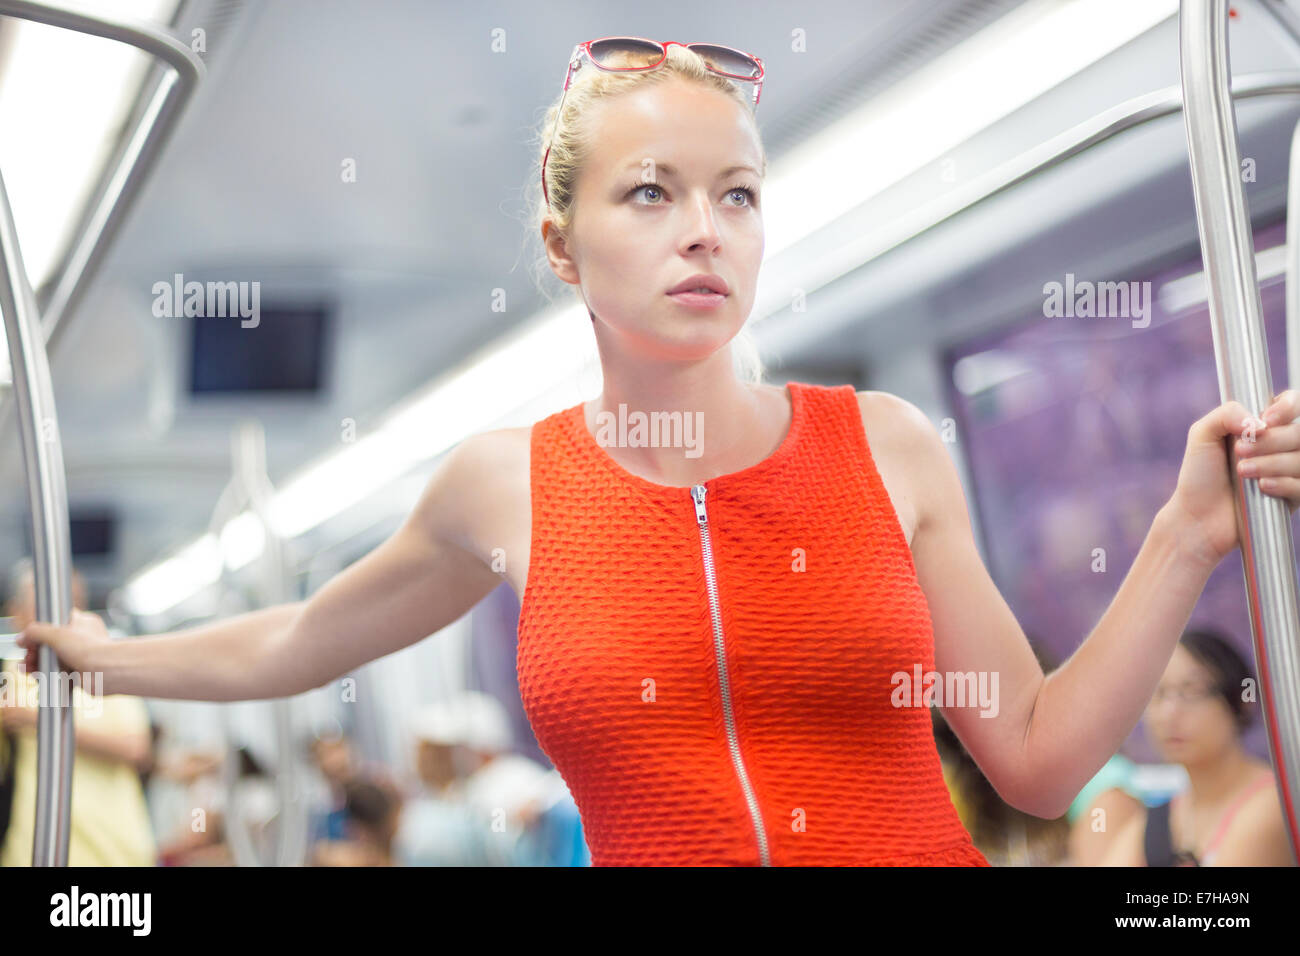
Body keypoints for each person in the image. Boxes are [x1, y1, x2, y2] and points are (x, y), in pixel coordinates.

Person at [16, 39, 1300, 866]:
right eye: (652, 192)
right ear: (562, 245)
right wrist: (102, 656)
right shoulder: (502, 483)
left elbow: (1033, 749)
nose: (707, 230)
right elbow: (299, 639)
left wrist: (1187, 533)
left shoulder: (887, 445)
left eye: (734, 193)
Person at [1, 559, 156, 866]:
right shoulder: (11, 675)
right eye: (42, 606)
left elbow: (136, 748)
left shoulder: (101, 665)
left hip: (112, 847)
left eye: (70, 604)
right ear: (17, 613)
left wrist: (34, 719)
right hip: (33, 843)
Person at [1100, 628, 1293, 866]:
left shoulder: (1272, 804)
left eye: (1192, 691)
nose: (1169, 714)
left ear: (1241, 703)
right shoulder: (1157, 822)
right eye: (1158, 694)